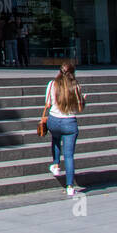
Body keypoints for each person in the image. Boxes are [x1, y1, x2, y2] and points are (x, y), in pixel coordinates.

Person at [39, 61, 86, 196]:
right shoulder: (76, 86)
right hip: (70, 122)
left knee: (55, 138)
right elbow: (80, 108)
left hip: (53, 119)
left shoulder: (52, 84)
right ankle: (70, 186)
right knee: (69, 155)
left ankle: (55, 164)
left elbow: (47, 103)